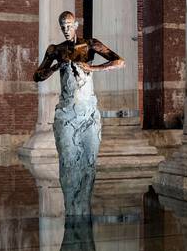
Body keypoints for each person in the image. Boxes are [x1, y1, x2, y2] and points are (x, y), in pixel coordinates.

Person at [32, 11, 124, 213]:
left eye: (68, 25)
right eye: (62, 26)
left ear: (76, 25)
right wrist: (56, 67)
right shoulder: (56, 49)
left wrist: (93, 69)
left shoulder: (90, 44)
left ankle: (83, 208)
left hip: (88, 113)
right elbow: (37, 76)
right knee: (67, 161)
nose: (65, 29)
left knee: (89, 163)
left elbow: (119, 61)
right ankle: (71, 208)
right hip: (66, 114)